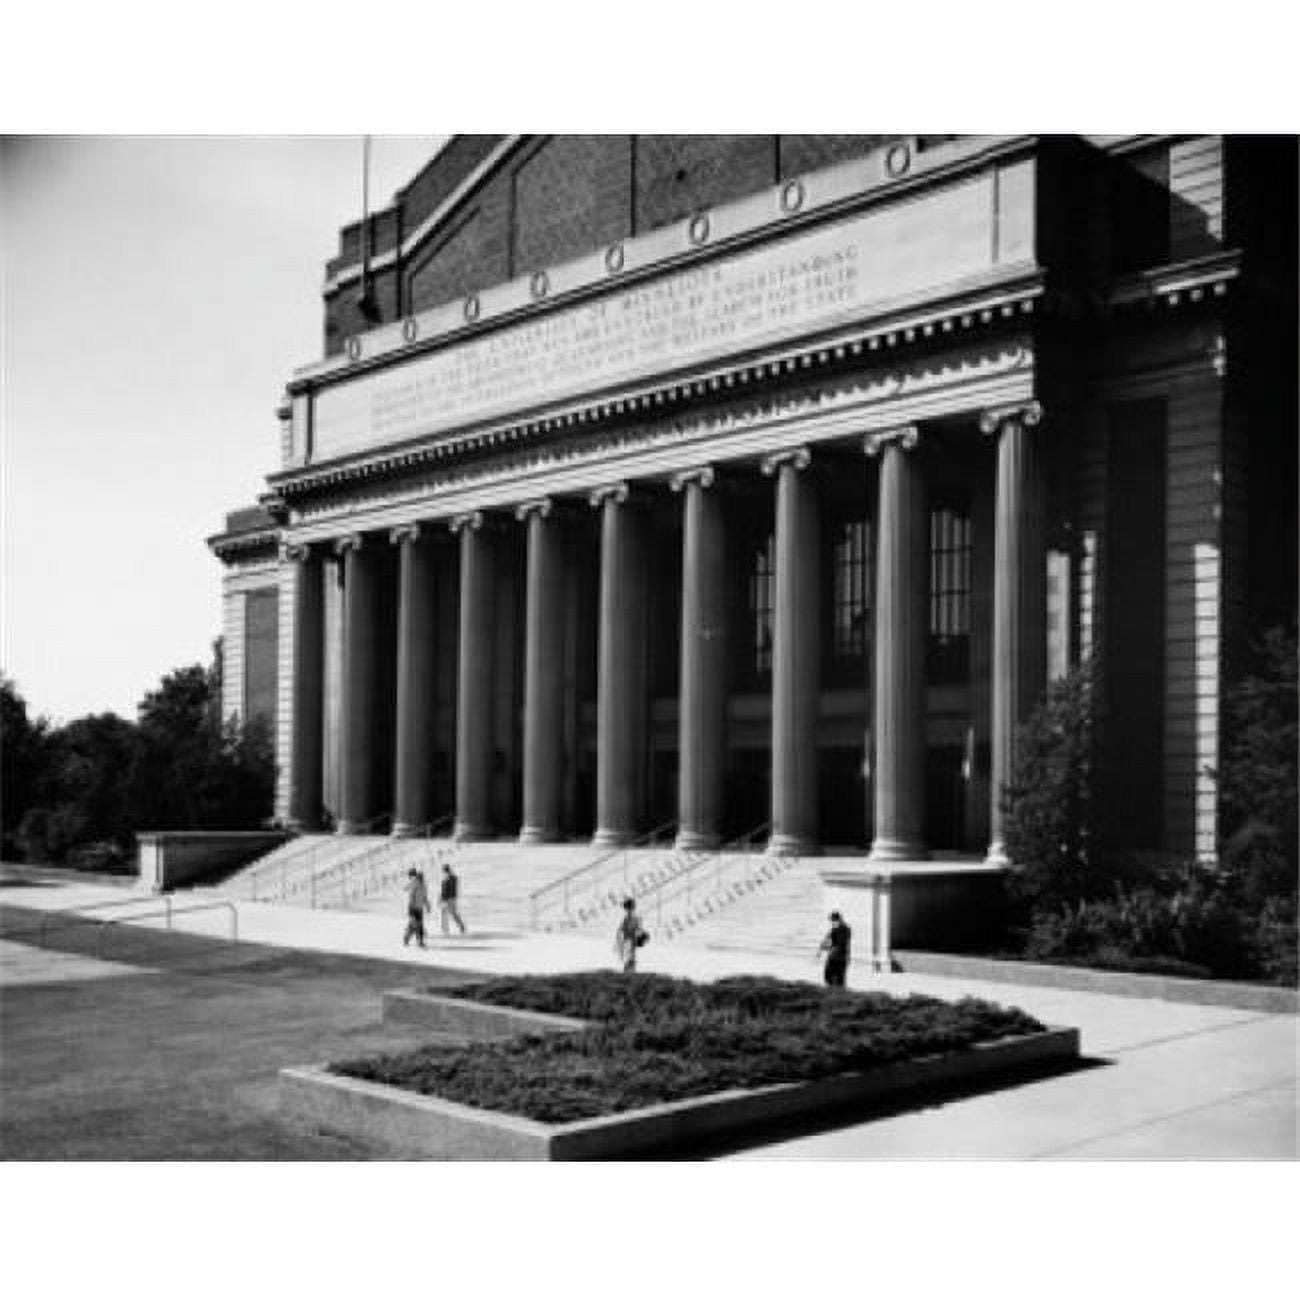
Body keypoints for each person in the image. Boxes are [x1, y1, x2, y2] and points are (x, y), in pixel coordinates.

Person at [818, 911, 851, 987]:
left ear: (836, 919)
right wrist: (848, 957)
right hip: (842, 958)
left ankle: (833, 989)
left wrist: (824, 948)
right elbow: (847, 945)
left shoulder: (837, 929)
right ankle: (839, 990)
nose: (832, 922)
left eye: (832, 920)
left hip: (834, 957)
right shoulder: (846, 928)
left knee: (829, 978)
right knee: (840, 979)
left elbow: (836, 944)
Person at [614, 897, 646, 973]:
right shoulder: (626, 919)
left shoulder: (635, 919)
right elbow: (621, 930)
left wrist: (641, 936)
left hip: (631, 942)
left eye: (630, 908)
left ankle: (630, 971)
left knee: (630, 959)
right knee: (628, 959)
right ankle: (629, 971)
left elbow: (639, 929)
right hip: (627, 942)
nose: (628, 911)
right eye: (627, 909)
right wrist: (619, 941)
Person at [403, 868, 429, 948]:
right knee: (413, 925)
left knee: (420, 925)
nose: (421, 878)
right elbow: (410, 893)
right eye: (420, 877)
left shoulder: (424, 886)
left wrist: (427, 905)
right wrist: (412, 903)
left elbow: (425, 897)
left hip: (419, 908)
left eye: (422, 877)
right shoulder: (415, 883)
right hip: (413, 908)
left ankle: (420, 941)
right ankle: (406, 938)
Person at [439, 863, 467, 935]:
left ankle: (445, 929)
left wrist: (442, 898)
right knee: (453, 913)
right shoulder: (453, 877)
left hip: (447, 898)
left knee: (445, 913)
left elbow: (445, 890)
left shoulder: (446, 878)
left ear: (444, 870)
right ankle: (461, 926)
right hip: (453, 897)